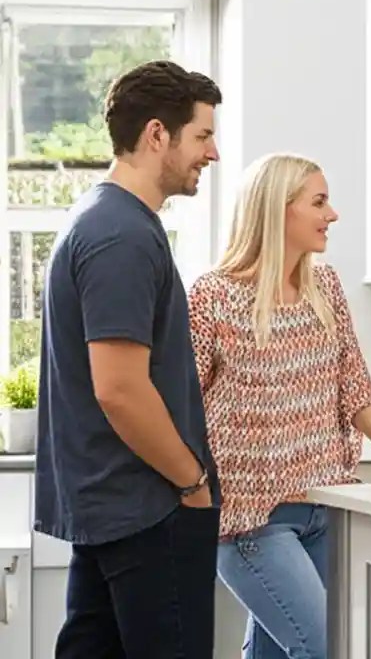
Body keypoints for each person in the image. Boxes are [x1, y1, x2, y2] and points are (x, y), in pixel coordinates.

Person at [187, 151, 371, 659]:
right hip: (251, 522)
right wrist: (194, 488)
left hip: (325, 509)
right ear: (278, 210)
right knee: (324, 647)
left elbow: (354, 387)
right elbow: (181, 404)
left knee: (280, 651)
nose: (332, 215)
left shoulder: (326, 288)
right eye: (319, 202)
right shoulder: (213, 297)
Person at [33, 60, 223, 658]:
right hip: (148, 506)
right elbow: (119, 388)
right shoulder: (123, 235)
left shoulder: (99, 218)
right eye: (202, 135)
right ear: (157, 135)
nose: (212, 153)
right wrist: (191, 481)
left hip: (112, 503)